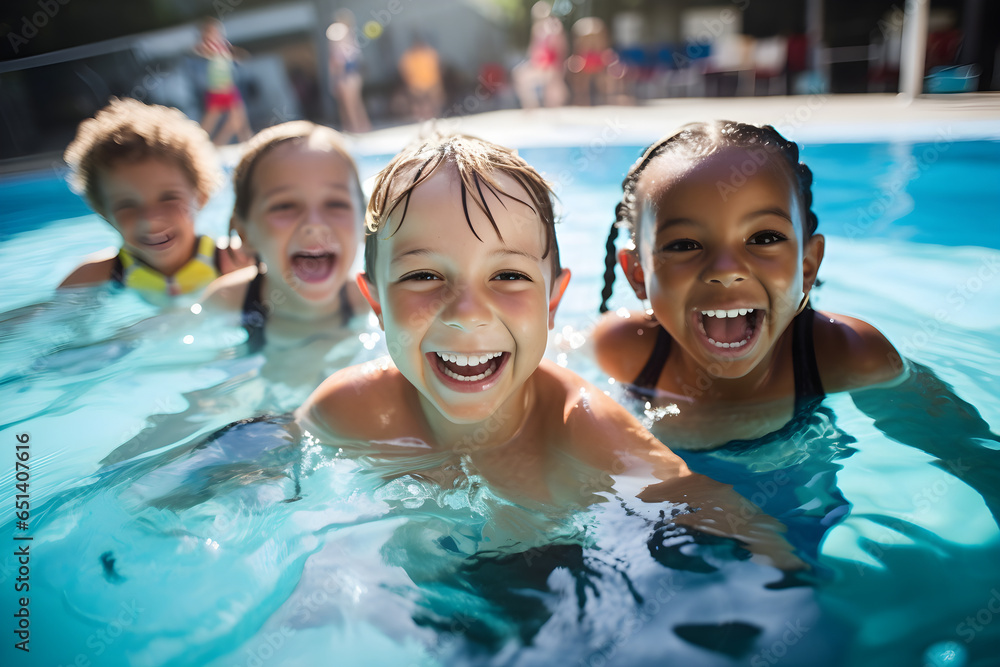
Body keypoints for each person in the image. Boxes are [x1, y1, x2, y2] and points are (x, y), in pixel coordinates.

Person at [296, 133, 802, 570]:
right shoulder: (348, 410)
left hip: (553, 571)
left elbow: (731, 522)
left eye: (508, 275)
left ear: (553, 300)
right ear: (376, 303)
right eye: (423, 276)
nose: (467, 312)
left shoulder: (579, 427)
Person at [593, 121, 904, 447]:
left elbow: (958, 450)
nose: (726, 271)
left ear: (807, 264)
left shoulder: (849, 356)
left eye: (764, 238)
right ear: (638, 273)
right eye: (684, 244)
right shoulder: (621, 350)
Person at [200, 120, 369, 352]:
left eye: (336, 204)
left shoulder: (368, 303)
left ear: (364, 223)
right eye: (285, 206)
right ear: (244, 233)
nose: (314, 225)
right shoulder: (227, 302)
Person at [59, 97, 247, 296]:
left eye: (168, 198)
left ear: (201, 197)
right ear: (104, 213)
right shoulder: (91, 278)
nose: (150, 218)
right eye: (127, 205)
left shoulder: (238, 263)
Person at [195, 18, 252, 146]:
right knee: (211, 121)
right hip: (218, 89)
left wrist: (237, 55)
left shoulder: (223, 46)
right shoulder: (208, 47)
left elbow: (230, 55)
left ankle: (244, 142)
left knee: (238, 119)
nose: (218, 33)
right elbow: (203, 51)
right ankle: (199, 143)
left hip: (229, 88)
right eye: (214, 31)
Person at [326, 10, 371, 133]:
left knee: (348, 105)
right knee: (356, 103)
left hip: (345, 74)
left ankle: (354, 130)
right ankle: (362, 128)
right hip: (353, 73)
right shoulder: (351, 34)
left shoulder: (339, 32)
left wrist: (336, 77)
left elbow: (337, 58)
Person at [398, 35, 445, 120]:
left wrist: (438, 85)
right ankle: (420, 118)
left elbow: (437, 69)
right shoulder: (409, 56)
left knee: (434, 103)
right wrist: (412, 86)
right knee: (419, 104)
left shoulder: (430, 54)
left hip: (431, 85)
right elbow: (405, 72)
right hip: (416, 87)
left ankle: (434, 117)